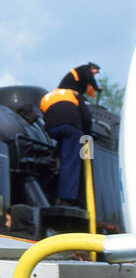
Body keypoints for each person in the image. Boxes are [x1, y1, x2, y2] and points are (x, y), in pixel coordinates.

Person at [39, 62, 100, 205]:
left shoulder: (47, 96)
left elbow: (44, 114)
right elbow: (86, 117)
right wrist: (87, 134)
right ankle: (67, 197)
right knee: (71, 161)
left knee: (61, 150)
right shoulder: (72, 94)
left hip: (51, 129)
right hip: (71, 128)